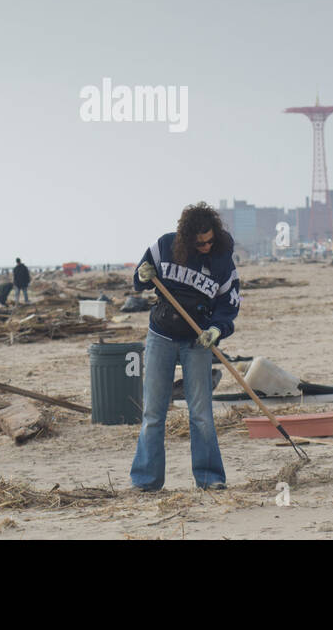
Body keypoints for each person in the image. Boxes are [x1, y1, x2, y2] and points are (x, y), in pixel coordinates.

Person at [129, 202, 239, 492]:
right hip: (161, 335)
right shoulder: (164, 246)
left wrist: (217, 329)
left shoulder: (223, 261)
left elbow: (229, 305)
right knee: (153, 412)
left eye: (210, 240)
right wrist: (141, 275)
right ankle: (146, 481)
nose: (205, 246)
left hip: (198, 340)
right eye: (199, 242)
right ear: (187, 238)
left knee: (201, 412)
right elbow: (140, 279)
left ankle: (210, 477)